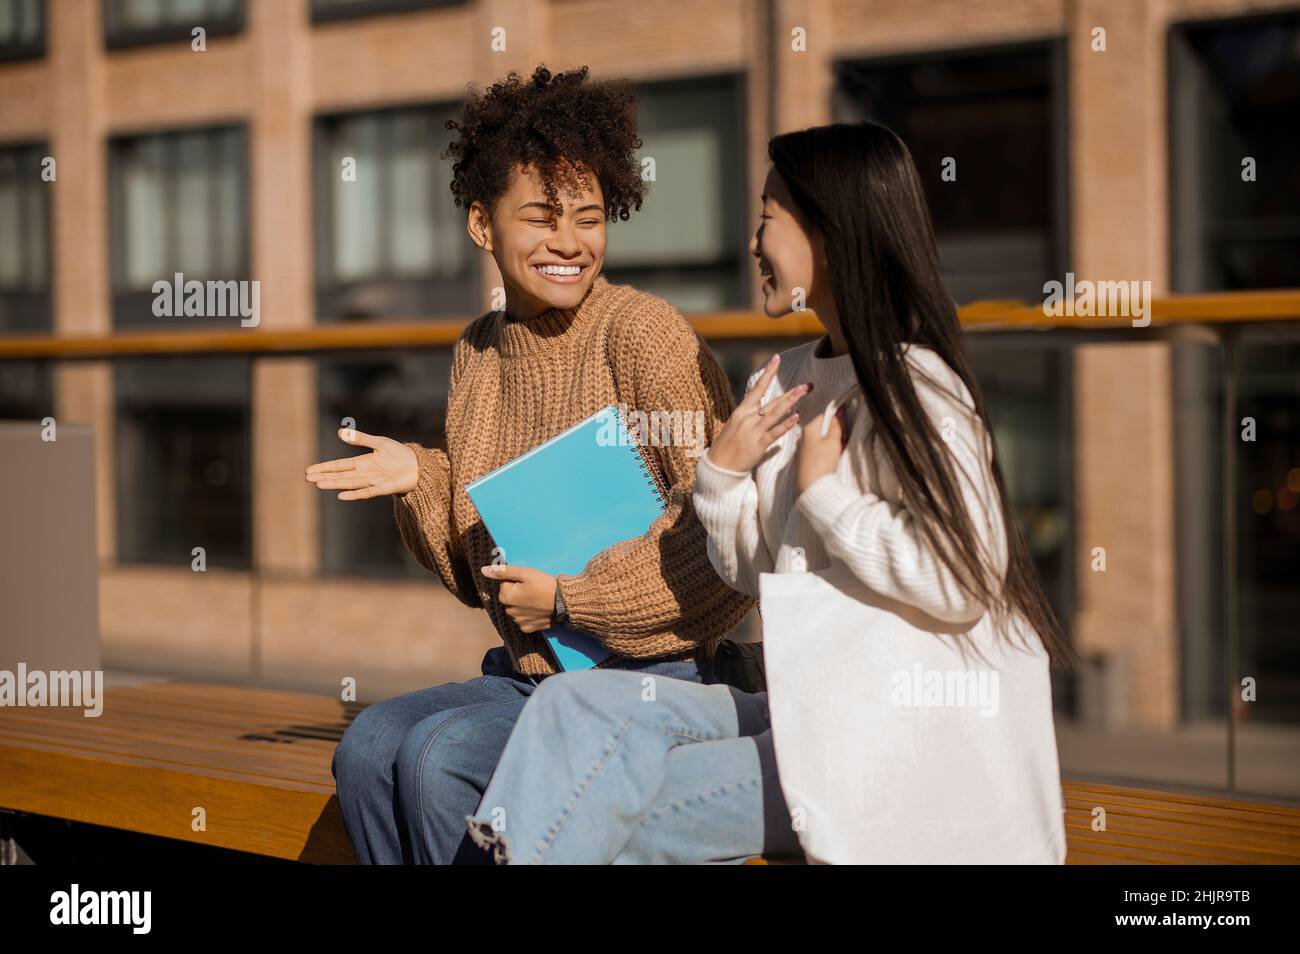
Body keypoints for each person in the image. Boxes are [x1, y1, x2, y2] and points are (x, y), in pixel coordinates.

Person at [463, 121, 1073, 864]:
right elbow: (758, 574)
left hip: (893, 747)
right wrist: (720, 477)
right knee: (571, 703)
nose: (753, 242)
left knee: (622, 809)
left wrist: (827, 498)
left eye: (767, 218)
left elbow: (962, 581)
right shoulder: (785, 379)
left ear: (829, 232)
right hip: (805, 710)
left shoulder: (919, 389)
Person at [307, 65, 752, 864]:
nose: (570, 243)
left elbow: (722, 546)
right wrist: (423, 479)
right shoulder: (477, 354)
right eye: (542, 218)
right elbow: (477, 576)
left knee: (438, 761)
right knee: (369, 747)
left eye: (589, 217)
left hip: (661, 677)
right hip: (538, 676)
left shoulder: (642, 335)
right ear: (482, 223)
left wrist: (573, 597)